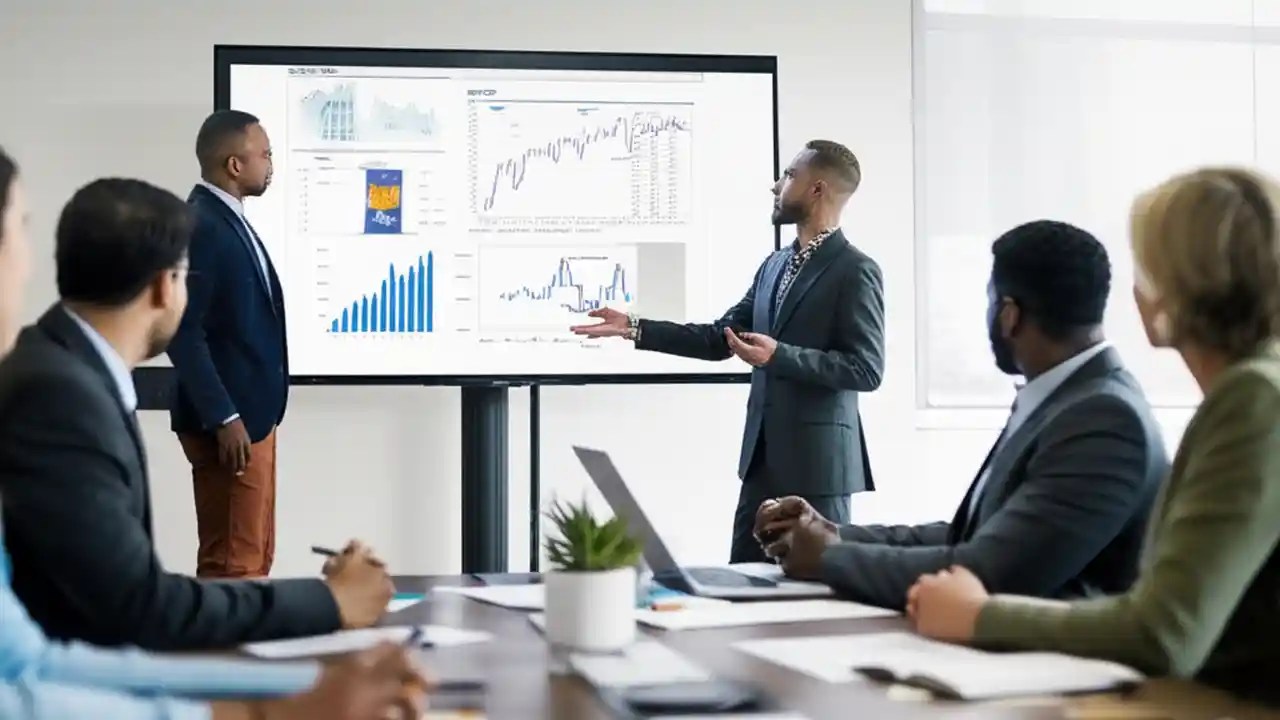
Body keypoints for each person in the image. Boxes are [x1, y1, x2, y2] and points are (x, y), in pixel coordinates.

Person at [0, 147, 426, 720]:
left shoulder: (69, 373)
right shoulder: (58, 394)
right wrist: (313, 634)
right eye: (17, 230)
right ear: (165, 287)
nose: (23, 263)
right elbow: (134, 612)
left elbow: (37, 662)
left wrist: (300, 684)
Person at [909, 167, 1280, 707]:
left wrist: (978, 615)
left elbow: (1161, 634)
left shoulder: (1253, 399)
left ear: (1175, 289)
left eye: (1147, 268)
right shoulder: (1257, 388)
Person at [755, 221, 1168, 610]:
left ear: (1009, 315)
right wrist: (832, 533)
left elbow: (987, 572)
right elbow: (969, 534)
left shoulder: (1104, 418)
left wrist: (830, 559)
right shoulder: (1068, 397)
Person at [571, 139, 885, 563]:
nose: (777, 186)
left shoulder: (856, 270)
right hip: (761, 465)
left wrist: (780, 356)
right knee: (742, 583)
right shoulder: (774, 265)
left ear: (818, 189)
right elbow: (719, 339)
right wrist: (635, 328)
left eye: (790, 175)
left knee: (809, 592)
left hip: (819, 470)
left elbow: (866, 369)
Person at [167, 109, 288, 579]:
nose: (271, 163)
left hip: (255, 421)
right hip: (229, 430)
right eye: (266, 154)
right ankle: (224, 653)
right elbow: (183, 329)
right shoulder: (202, 224)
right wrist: (224, 416)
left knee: (254, 560)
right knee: (232, 568)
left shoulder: (228, 219)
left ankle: (247, 651)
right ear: (235, 165)